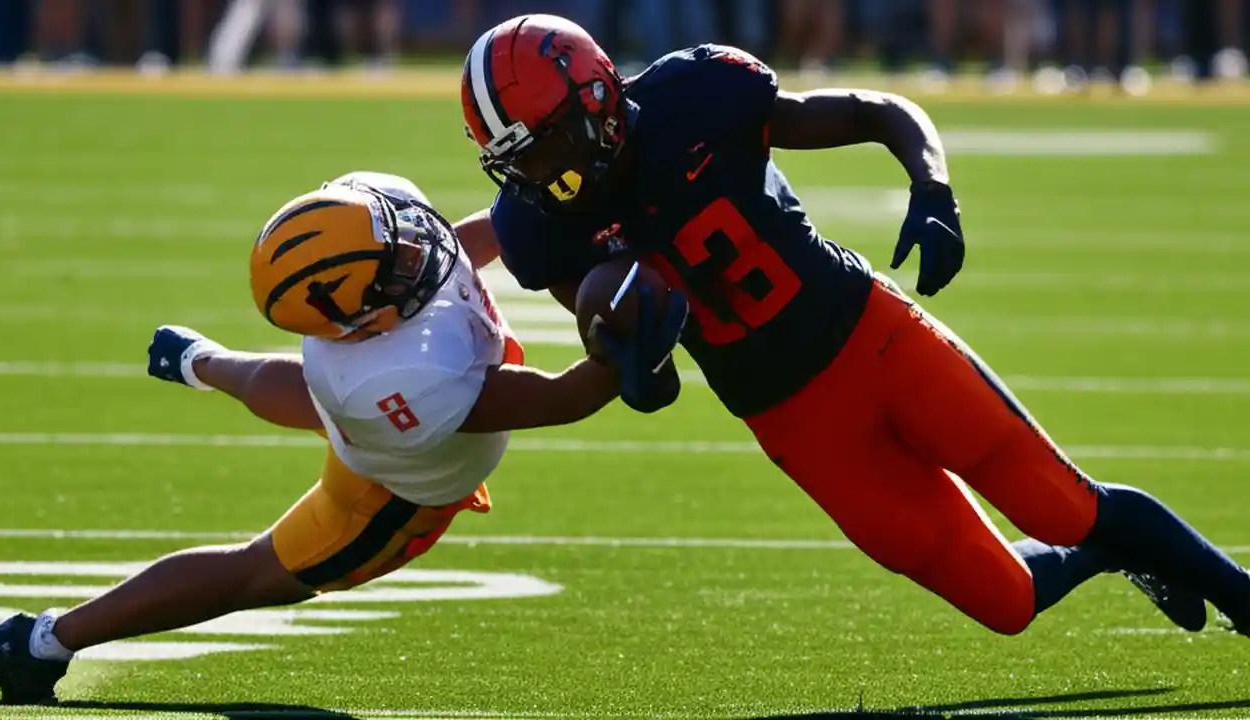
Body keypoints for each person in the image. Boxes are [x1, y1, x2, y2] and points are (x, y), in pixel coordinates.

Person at [458, 14, 1250, 640]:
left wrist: (932, 188)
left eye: (545, 144)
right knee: (1006, 602)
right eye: (515, 160)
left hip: (873, 335)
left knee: (1062, 505)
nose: (536, 174)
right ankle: (1114, 555)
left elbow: (877, 111)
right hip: (790, 418)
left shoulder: (695, 96)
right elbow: (652, 391)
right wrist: (632, 364)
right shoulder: (540, 228)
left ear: (595, 94)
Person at [0, 172, 679, 705]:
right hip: (392, 489)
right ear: (361, 323)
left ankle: (200, 361)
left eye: (398, 237)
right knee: (252, 575)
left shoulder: (380, 235)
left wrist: (550, 207)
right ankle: (45, 640)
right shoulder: (404, 376)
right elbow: (561, 398)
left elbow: (463, 244)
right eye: (399, 263)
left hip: (362, 400)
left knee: (289, 387)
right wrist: (629, 346)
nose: (418, 247)